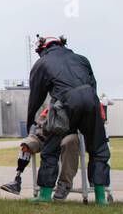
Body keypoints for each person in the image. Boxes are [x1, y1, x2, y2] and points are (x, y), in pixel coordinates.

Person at [24, 34, 111, 205]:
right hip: (91, 101)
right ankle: (101, 198)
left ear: (42, 48)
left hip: (65, 104)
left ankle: (44, 195)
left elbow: (36, 97)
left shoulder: (42, 63)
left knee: (50, 149)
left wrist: (30, 123)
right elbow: (93, 85)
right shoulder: (82, 59)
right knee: (98, 148)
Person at [0, 108, 82, 199]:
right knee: (27, 144)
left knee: (69, 143)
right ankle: (17, 179)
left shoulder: (77, 103)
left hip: (67, 135)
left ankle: (64, 184)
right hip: (46, 135)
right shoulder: (51, 106)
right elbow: (40, 122)